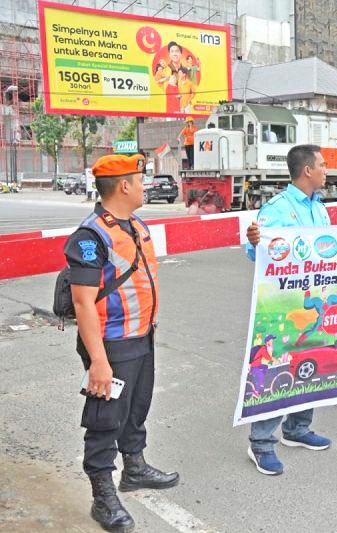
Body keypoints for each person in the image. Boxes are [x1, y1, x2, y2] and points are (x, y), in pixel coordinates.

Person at [64, 153, 179, 532]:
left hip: (141, 336)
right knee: (105, 419)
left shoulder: (135, 225)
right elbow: (83, 302)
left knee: (136, 407)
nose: (145, 186)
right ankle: (103, 496)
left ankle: (134, 468)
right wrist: (98, 361)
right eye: (141, 181)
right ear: (125, 186)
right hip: (111, 344)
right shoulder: (90, 236)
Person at [243, 145, 333, 475]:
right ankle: (261, 442)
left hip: (314, 303)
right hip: (285, 306)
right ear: (307, 170)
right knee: (278, 367)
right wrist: (255, 241)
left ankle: (297, 429)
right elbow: (255, 252)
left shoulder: (320, 209)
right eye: (323, 165)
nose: (326, 170)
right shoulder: (277, 209)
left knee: (309, 365)